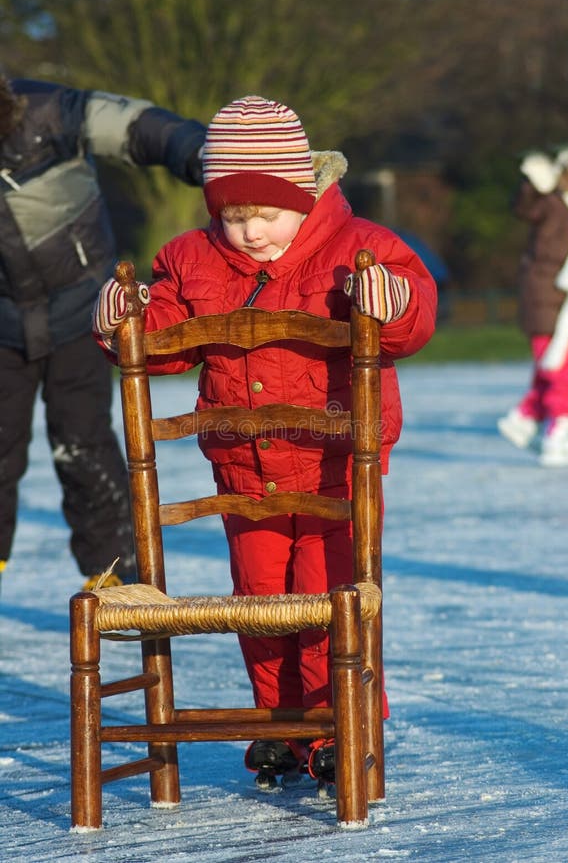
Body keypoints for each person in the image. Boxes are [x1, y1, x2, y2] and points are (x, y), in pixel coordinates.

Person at [93, 95, 437, 786]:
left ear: (303, 198)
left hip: (335, 474)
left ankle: (337, 726)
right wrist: (126, 317)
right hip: (243, 474)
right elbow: (162, 339)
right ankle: (279, 721)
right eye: (232, 215)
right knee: (259, 605)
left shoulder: (356, 249)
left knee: (324, 602)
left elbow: (413, 311)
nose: (249, 233)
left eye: (266, 214)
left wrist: (388, 298)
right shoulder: (194, 260)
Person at [0, 74, 206, 590]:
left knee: (81, 440)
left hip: (80, 307)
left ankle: (114, 575)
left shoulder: (46, 110)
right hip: (4, 323)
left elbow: (137, 126)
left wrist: (204, 155)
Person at [497, 149, 568, 466]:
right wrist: (532, 183)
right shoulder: (553, 205)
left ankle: (526, 416)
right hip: (545, 300)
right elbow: (525, 207)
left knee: (559, 366)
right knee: (560, 370)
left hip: (567, 304)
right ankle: (556, 432)